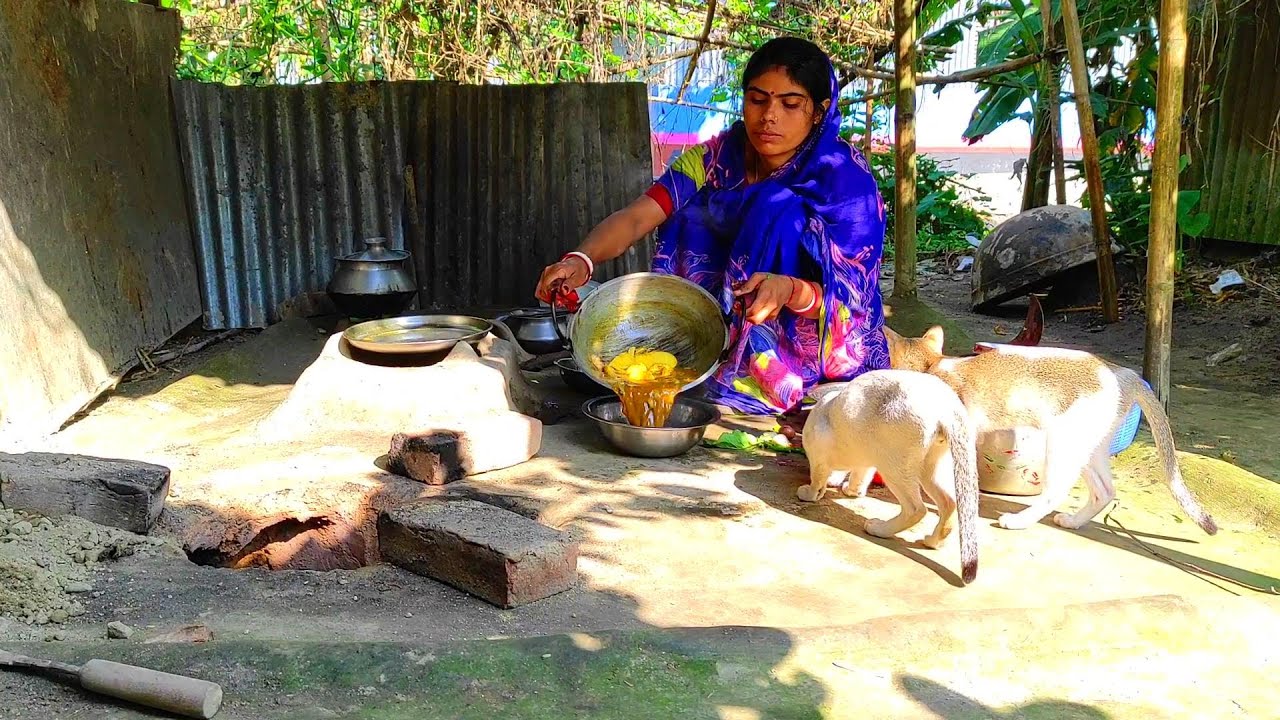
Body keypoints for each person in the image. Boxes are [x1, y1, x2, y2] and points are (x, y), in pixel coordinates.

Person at [534, 37, 889, 415]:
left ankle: (771, 366)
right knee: (689, 213)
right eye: (757, 99)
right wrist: (581, 260)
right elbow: (639, 216)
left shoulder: (846, 183)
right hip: (725, 321)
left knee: (777, 208)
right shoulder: (716, 158)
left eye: (790, 104)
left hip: (816, 338)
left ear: (818, 112)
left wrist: (790, 290)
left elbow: (853, 300)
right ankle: (715, 346)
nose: (769, 116)